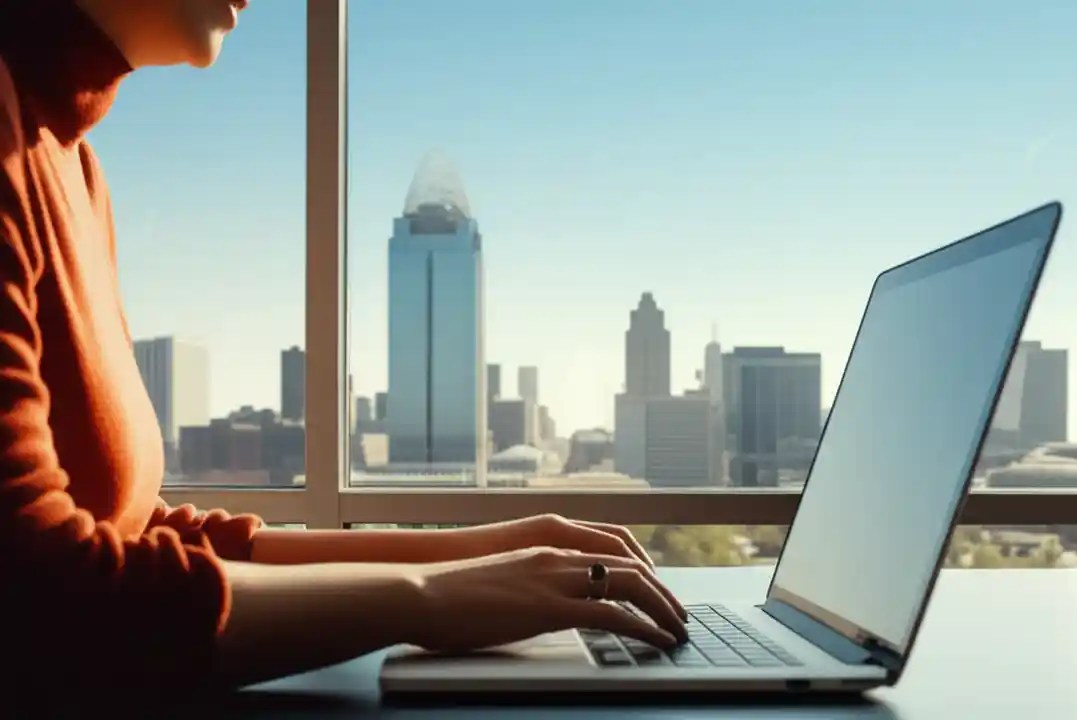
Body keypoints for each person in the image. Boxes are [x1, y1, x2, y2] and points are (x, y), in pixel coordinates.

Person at [0, 0, 687, 701]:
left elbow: (140, 536)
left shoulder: (73, 162)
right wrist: (424, 599)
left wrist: (490, 551)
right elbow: (42, 601)